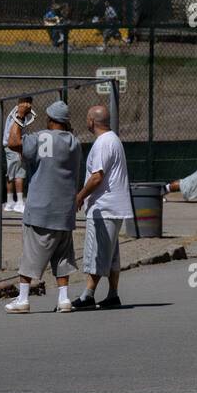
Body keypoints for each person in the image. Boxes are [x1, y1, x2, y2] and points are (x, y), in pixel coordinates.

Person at [5, 100, 83, 314]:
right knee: (63, 255)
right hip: (65, 210)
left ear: (50, 119)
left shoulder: (39, 137)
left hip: (40, 208)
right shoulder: (74, 143)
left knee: (31, 255)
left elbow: (13, 143)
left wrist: (19, 117)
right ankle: (64, 298)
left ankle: (22, 298)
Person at [72, 105, 130, 309]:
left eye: (87, 118)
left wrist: (80, 196)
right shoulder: (113, 139)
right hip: (114, 206)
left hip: (104, 207)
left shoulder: (103, 143)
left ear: (92, 121)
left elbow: (97, 176)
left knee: (97, 252)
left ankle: (88, 295)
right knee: (111, 254)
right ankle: (113, 294)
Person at [1, 95, 33, 214]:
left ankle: (10, 202)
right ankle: (19, 202)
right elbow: (13, 133)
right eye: (29, 103)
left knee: (11, 173)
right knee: (19, 174)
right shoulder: (19, 114)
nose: (30, 107)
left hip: (9, 146)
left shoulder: (15, 113)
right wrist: (19, 149)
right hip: (13, 147)